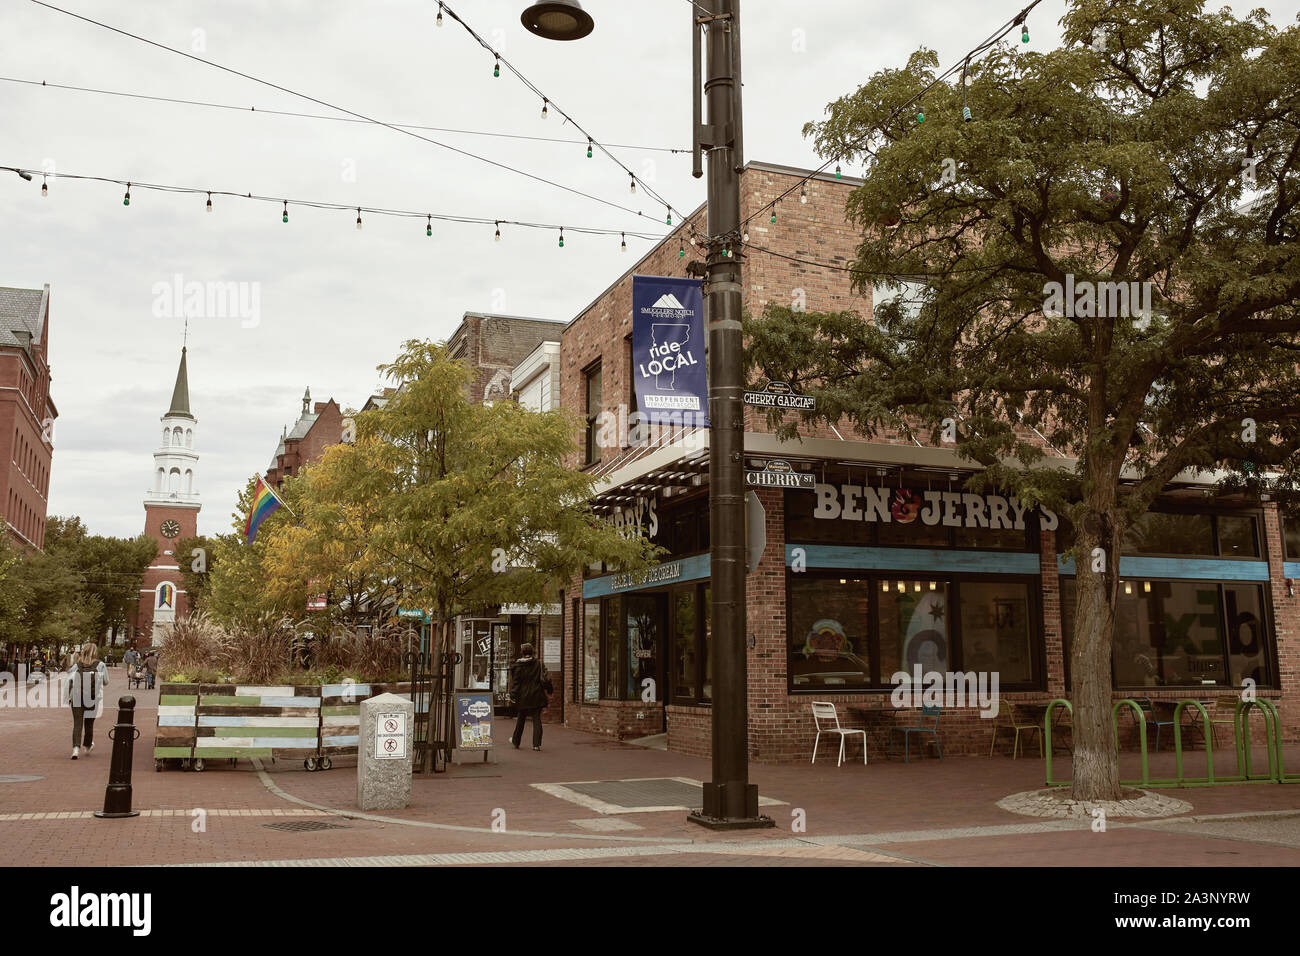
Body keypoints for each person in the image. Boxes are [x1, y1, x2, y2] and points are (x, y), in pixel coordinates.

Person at [64, 643, 107, 759]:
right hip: (93, 698)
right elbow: (106, 681)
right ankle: (87, 746)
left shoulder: (77, 665)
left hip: (77, 697)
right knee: (89, 723)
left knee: (77, 724)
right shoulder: (100, 665)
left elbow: (69, 679)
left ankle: (75, 749)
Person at [508, 643, 552, 751]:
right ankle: (536, 744)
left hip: (523, 697)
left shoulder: (518, 665)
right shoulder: (538, 663)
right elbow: (544, 678)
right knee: (537, 719)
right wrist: (549, 690)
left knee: (521, 719)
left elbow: (516, 683)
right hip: (537, 695)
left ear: (522, 652)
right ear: (532, 652)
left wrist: (512, 695)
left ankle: (516, 741)